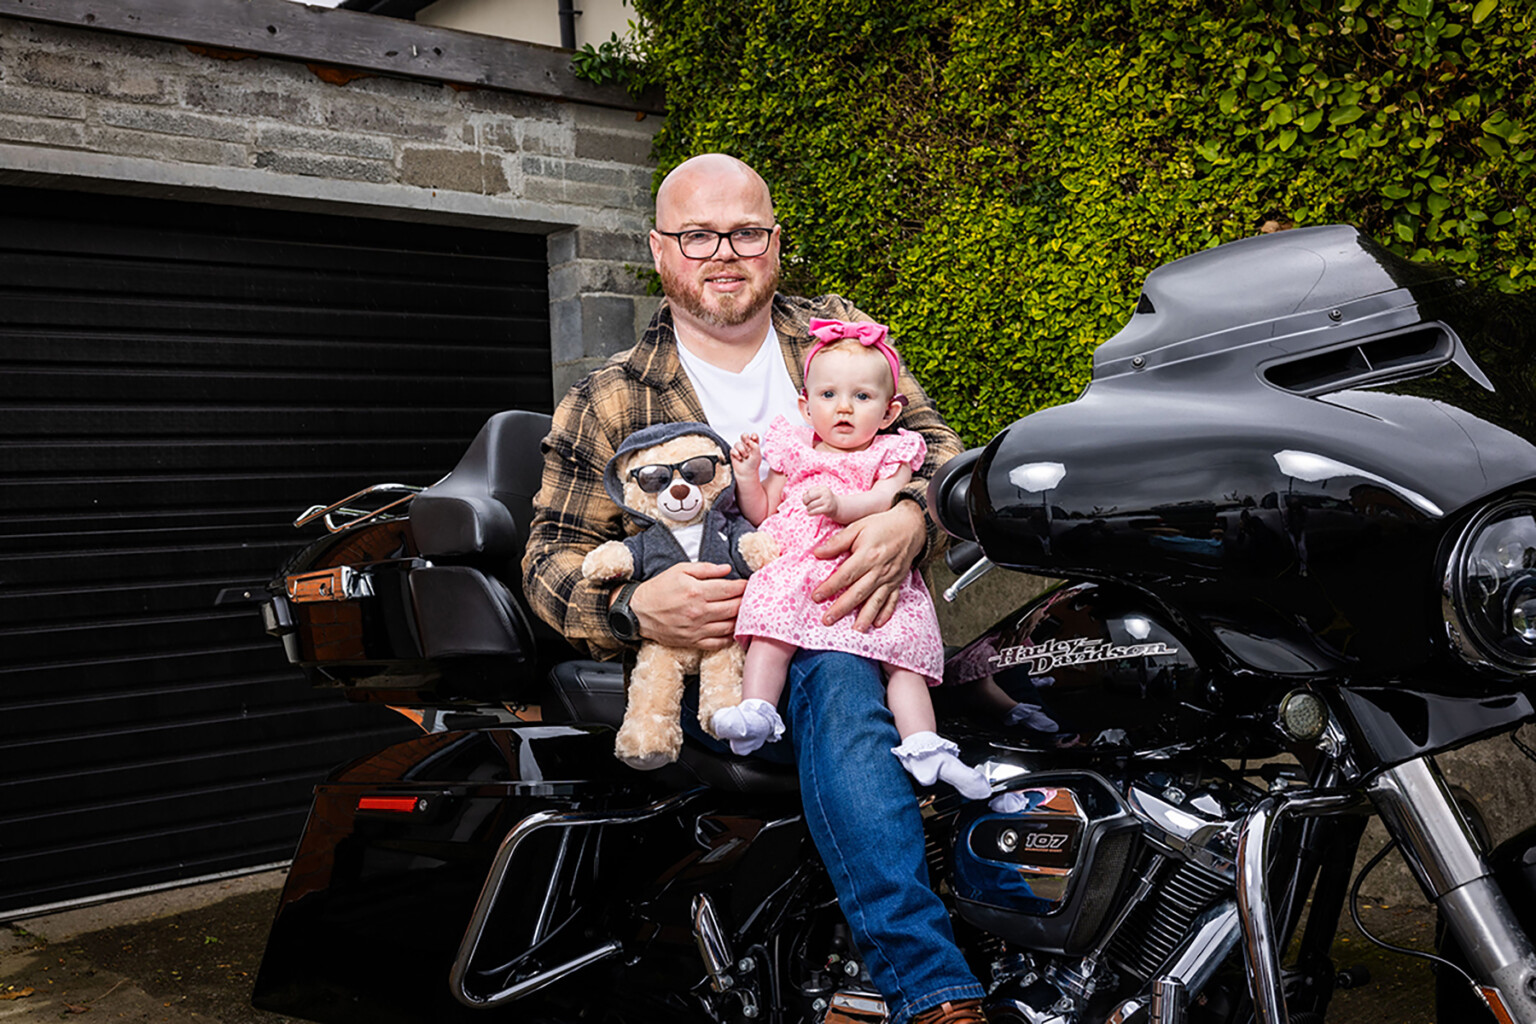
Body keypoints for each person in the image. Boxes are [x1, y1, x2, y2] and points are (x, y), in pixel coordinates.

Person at [522, 153, 988, 1024]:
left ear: (776, 243)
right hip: (735, 662)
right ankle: (928, 989)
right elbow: (549, 563)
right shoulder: (610, 397)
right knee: (841, 684)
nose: (723, 253)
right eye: (699, 235)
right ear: (662, 252)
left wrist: (912, 516)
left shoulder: (841, 335)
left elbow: (946, 456)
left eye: (744, 232)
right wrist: (631, 606)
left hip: (876, 615)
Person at [710, 318, 990, 800]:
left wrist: (841, 507)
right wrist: (748, 476)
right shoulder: (794, 448)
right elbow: (763, 512)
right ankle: (756, 707)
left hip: (869, 574)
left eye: (862, 397)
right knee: (771, 634)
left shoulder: (892, 452)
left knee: (901, 657)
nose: (844, 408)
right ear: (805, 405)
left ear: (888, 411)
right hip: (799, 572)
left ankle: (925, 743)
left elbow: (886, 500)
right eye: (829, 396)